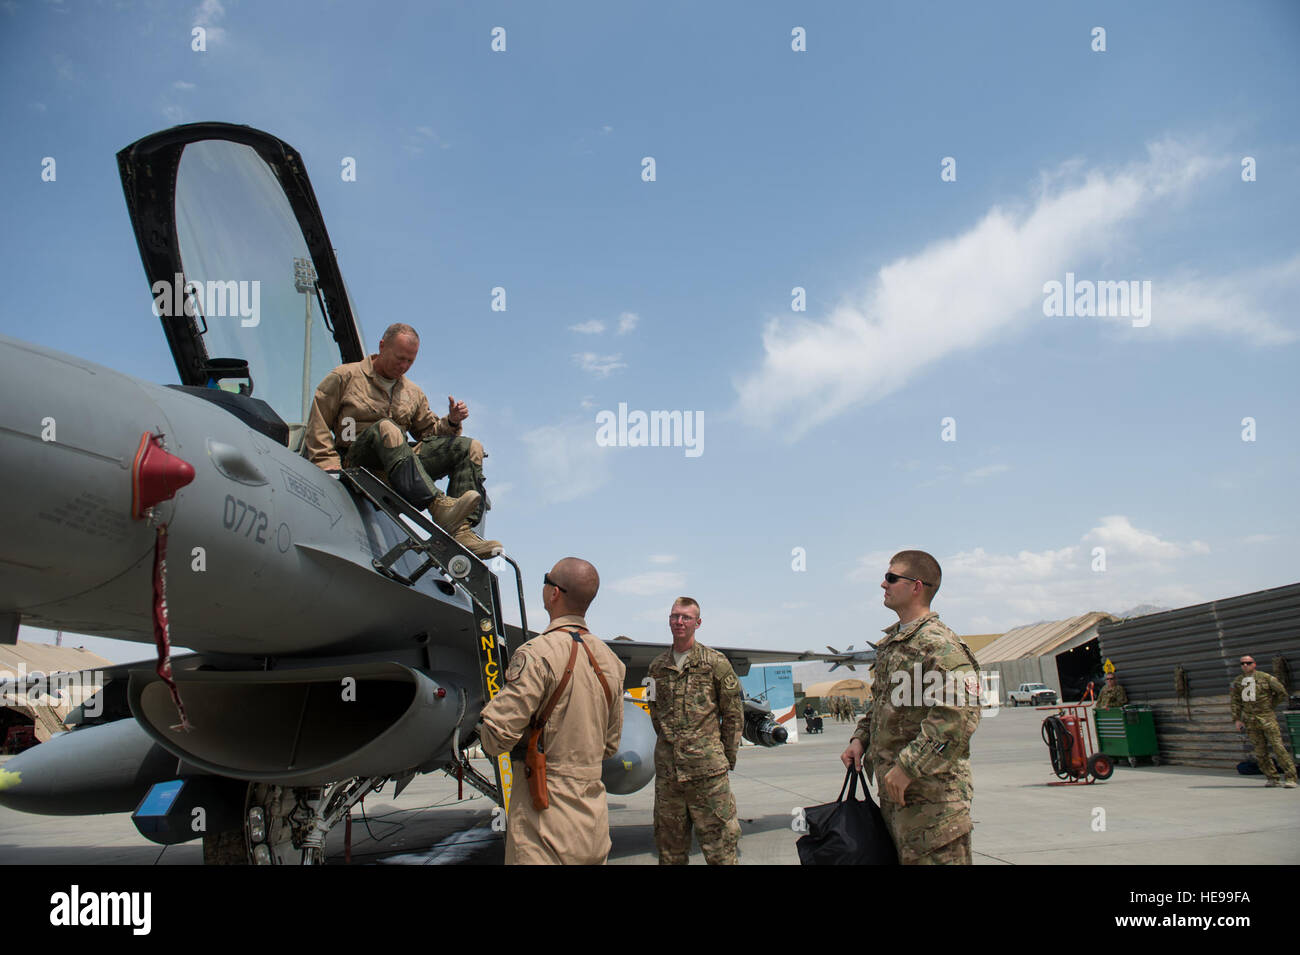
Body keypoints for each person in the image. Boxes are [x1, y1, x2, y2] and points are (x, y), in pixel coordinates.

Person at [303, 322, 502, 557]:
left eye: (410, 361)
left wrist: (450, 421)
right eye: (399, 358)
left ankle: (461, 531)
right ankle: (438, 505)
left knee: (471, 447)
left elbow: (427, 434)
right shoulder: (345, 376)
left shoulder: (413, 392)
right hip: (357, 463)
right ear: (382, 346)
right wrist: (327, 463)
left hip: (398, 468)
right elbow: (319, 421)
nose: (404, 366)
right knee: (388, 428)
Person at [477, 558, 626, 862]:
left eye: (546, 580)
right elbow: (609, 746)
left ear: (554, 593)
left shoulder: (536, 655)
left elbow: (495, 739)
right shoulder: (612, 662)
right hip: (592, 823)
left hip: (542, 823)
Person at [840, 550, 981, 865]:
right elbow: (882, 704)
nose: (883, 584)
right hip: (896, 799)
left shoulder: (940, 645)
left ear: (916, 586)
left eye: (891, 578)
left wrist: (908, 767)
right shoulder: (895, 645)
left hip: (933, 804)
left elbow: (958, 717)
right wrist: (859, 739)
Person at [646, 597, 743, 865]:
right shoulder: (656, 668)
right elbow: (655, 713)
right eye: (675, 616)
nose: (679, 622)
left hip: (708, 775)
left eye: (686, 617)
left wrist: (725, 758)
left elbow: (733, 714)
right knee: (669, 852)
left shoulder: (715, 663)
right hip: (669, 778)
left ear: (697, 623)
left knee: (721, 851)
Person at [1231, 656, 1297, 789]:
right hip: (1250, 720)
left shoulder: (1266, 677)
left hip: (1267, 718)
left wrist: (1270, 706)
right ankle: (1272, 778)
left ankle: (1290, 777)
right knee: (1260, 751)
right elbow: (1236, 701)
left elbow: (1281, 692)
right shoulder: (1238, 681)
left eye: (1248, 663)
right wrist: (1237, 719)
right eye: (1242, 663)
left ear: (1254, 664)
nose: (1245, 665)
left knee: (1278, 747)